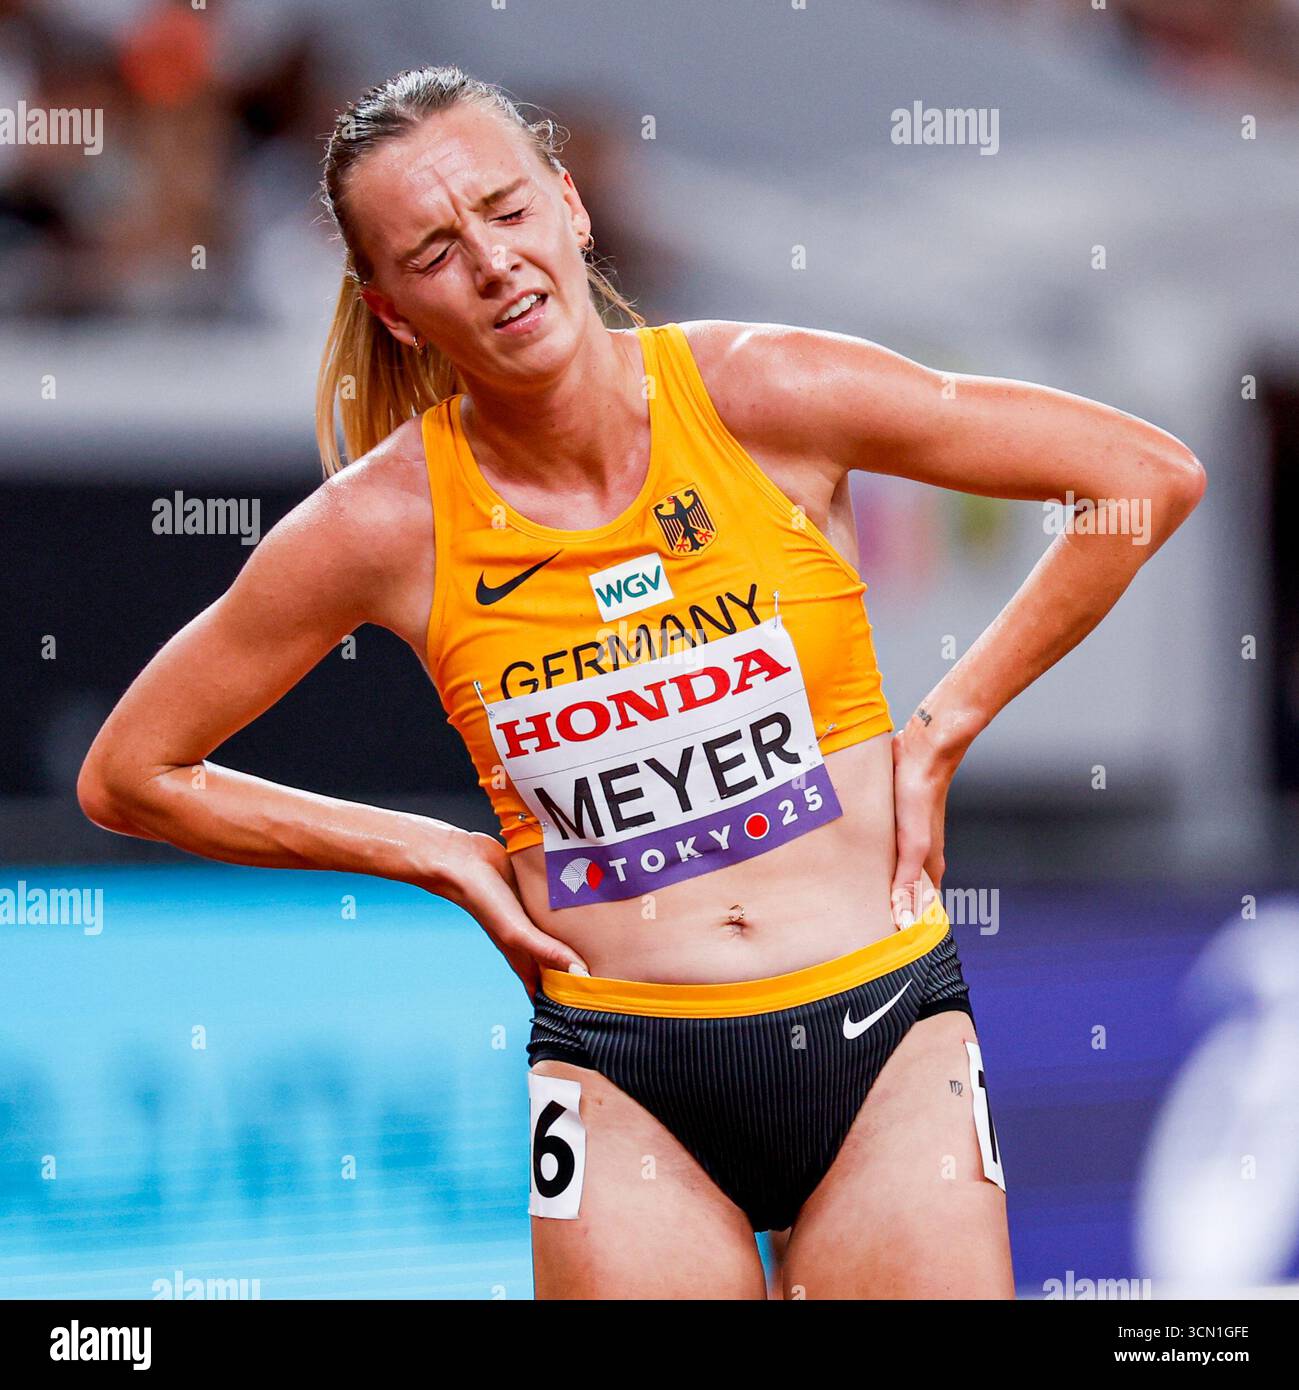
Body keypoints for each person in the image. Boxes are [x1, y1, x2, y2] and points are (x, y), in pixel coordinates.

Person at [77, 65, 1206, 1300]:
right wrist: (430, 853)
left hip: (884, 1038)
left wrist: (943, 728)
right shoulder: (384, 525)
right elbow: (133, 774)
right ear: (392, 309)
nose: (496, 263)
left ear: (572, 205)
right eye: (439, 251)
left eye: (509, 213)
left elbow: (1141, 479)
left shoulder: (766, 390)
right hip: (623, 1073)